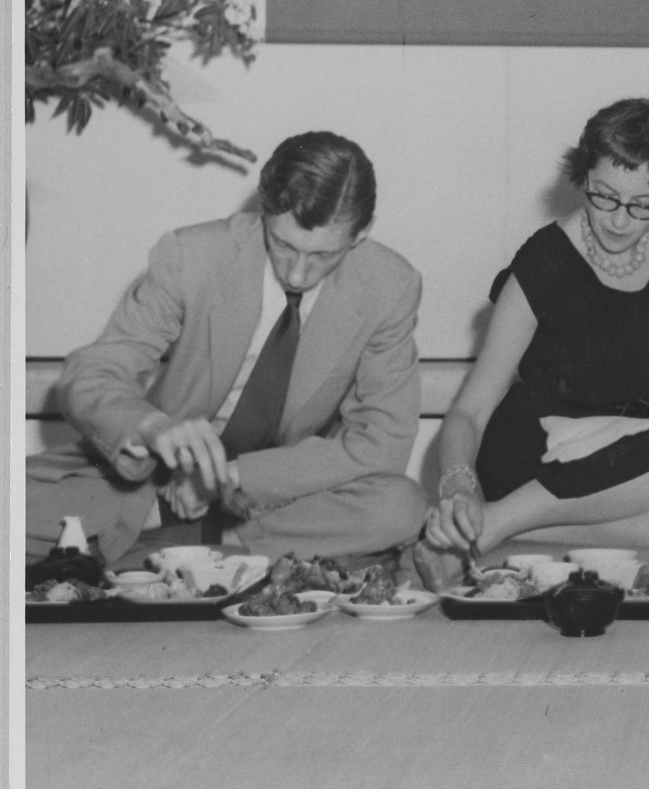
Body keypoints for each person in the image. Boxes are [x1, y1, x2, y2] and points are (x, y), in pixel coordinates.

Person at [25, 132, 426, 565]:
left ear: (362, 232)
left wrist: (229, 479)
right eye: (285, 245)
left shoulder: (390, 286)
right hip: (153, 481)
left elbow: (381, 443)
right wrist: (151, 428)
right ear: (265, 210)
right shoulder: (192, 256)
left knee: (402, 507)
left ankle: (172, 537)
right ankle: (198, 536)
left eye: (323, 256)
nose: (298, 274)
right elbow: (93, 373)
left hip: (279, 488)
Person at [415, 98, 649, 588]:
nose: (618, 220)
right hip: (533, 451)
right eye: (604, 196)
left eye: (643, 206)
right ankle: (494, 525)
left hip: (623, 454)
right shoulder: (543, 261)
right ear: (583, 177)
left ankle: (494, 532)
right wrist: (458, 486)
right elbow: (471, 409)